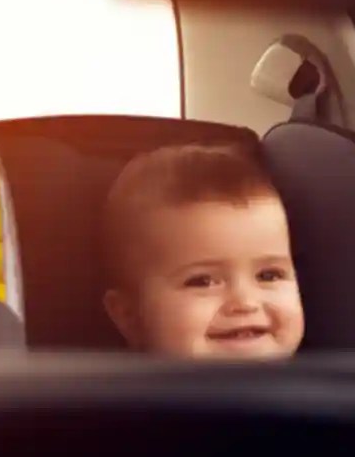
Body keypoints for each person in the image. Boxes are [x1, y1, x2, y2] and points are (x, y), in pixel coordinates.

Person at [99, 131, 304, 360]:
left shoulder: (329, 390)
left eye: (269, 275)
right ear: (130, 317)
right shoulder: (122, 396)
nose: (245, 302)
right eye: (203, 281)